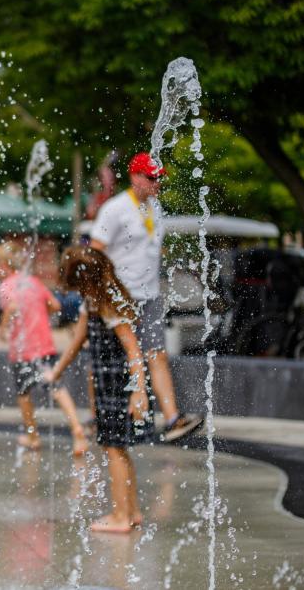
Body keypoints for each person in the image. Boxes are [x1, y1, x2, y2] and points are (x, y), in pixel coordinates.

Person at [89, 152, 202, 442]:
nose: (156, 183)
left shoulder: (156, 208)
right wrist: (103, 292)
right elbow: (96, 250)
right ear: (134, 177)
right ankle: (97, 416)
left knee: (156, 354)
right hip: (120, 296)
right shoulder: (116, 209)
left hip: (149, 295)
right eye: (151, 178)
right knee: (107, 357)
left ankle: (173, 419)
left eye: (159, 178)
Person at [43, 245, 153, 533]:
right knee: (117, 448)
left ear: (85, 280)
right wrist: (57, 371)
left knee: (114, 449)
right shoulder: (92, 301)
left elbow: (133, 350)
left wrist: (138, 391)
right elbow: (78, 340)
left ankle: (120, 516)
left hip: (119, 386)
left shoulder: (108, 303)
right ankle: (132, 511)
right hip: (108, 386)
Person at [0, 241, 88, 457]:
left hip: (23, 350)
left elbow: (12, 307)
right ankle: (77, 428)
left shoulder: (6, 286)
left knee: (24, 393)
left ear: (3, 265)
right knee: (57, 387)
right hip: (44, 344)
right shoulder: (33, 282)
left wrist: (3, 330)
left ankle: (33, 436)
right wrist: (39, 312)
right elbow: (55, 305)